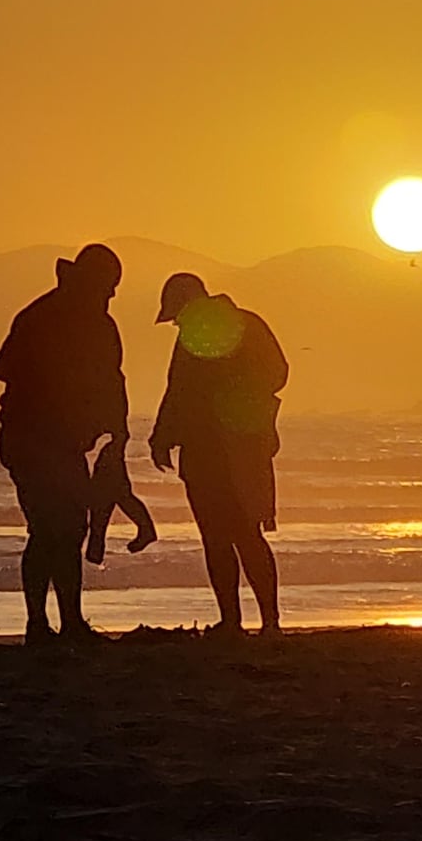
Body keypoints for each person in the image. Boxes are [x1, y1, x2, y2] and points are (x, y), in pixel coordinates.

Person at [0, 244, 129, 646]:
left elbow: (113, 381)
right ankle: (39, 624)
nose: (112, 295)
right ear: (90, 280)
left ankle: (68, 622)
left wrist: (118, 432)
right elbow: (1, 367)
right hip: (30, 439)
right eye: (108, 286)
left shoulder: (101, 326)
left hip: (66, 443)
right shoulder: (40, 316)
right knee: (48, 529)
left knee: (68, 529)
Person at [150, 272, 288, 635]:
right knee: (244, 534)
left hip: (215, 453)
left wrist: (162, 437)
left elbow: (177, 392)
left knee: (223, 537)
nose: (177, 321)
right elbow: (278, 374)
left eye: (177, 313)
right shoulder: (248, 324)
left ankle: (238, 622)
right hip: (242, 450)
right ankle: (266, 623)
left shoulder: (201, 334)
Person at [85, 441, 157, 566]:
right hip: (112, 446)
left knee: (109, 493)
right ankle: (95, 550)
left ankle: (95, 550)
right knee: (110, 494)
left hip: (112, 445)